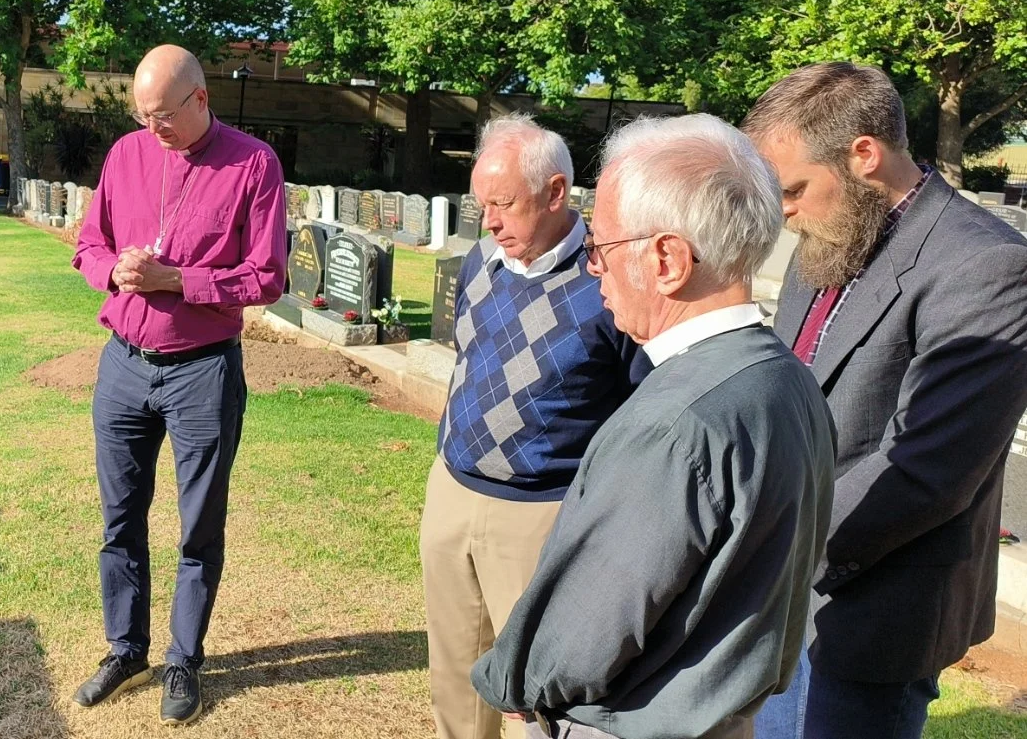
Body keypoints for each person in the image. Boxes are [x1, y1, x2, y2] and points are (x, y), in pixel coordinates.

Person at [471, 114, 837, 739]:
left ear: (667, 258)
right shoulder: (784, 376)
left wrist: (515, 680)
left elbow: (591, 627)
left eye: (602, 249)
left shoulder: (674, 422)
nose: (592, 270)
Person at [744, 63, 1027, 738]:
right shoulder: (827, 230)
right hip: (779, 591)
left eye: (792, 188)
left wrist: (763, 544)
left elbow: (924, 471)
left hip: (871, 609)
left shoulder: (985, 265)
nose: (782, 210)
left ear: (862, 154)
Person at [68, 43, 287, 725]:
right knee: (118, 518)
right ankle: (125, 646)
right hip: (124, 363)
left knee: (199, 525)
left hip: (203, 367)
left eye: (162, 115)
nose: (151, 129)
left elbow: (266, 275)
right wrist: (114, 272)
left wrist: (179, 282)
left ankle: (183, 658)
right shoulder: (126, 155)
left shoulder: (253, 163)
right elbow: (88, 245)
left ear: (200, 99)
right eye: (141, 115)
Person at [424, 114, 643, 739]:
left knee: (533, 688)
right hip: (453, 492)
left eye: (503, 204)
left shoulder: (608, 281)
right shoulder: (482, 261)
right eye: (481, 204)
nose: (489, 222)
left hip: (541, 514)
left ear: (555, 193)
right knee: (455, 671)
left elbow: (640, 406)